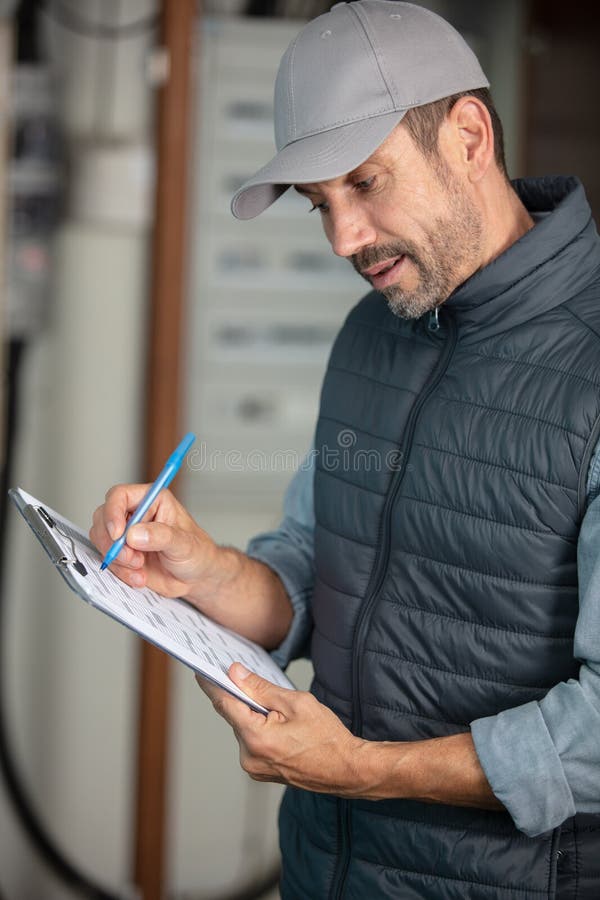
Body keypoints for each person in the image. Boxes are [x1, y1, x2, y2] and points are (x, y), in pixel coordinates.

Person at [90, 2, 600, 897]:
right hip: (326, 872)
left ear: (469, 137)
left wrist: (361, 768)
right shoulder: (371, 334)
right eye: (323, 203)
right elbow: (313, 571)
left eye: (366, 182)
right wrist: (201, 570)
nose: (342, 239)